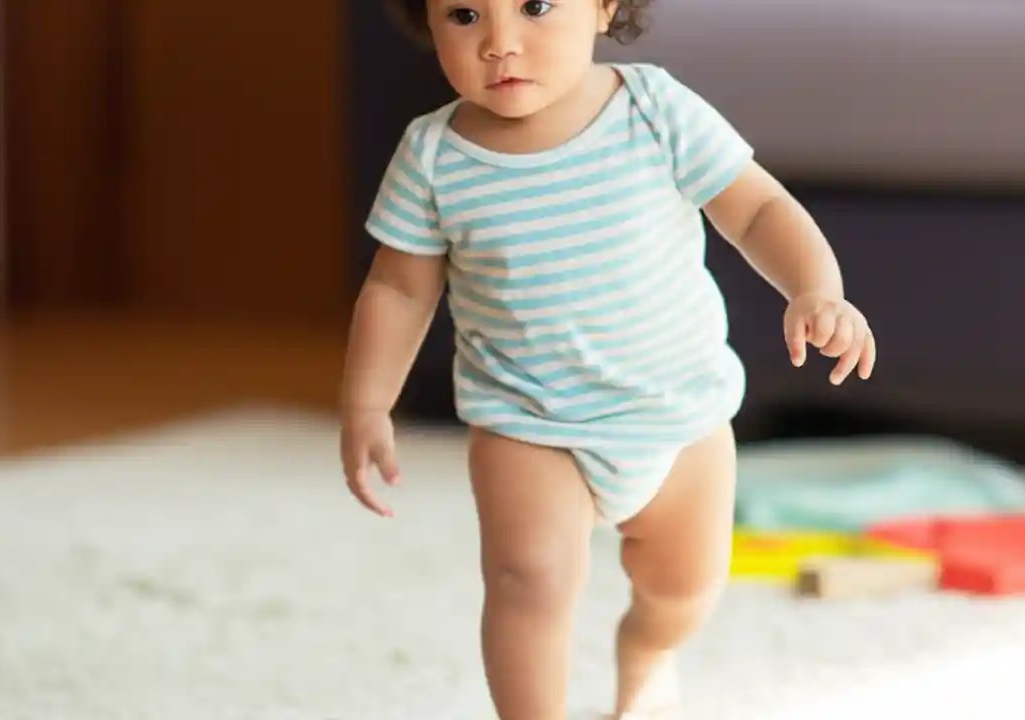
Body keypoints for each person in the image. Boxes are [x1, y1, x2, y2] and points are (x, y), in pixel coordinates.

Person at [338, 1, 877, 717]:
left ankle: (649, 654)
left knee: (682, 591)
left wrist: (817, 289)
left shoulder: (653, 108)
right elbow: (399, 290)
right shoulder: (434, 155)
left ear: (604, 7)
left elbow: (755, 210)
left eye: (534, 6)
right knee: (525, 580)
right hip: (528, 419)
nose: (501, 43)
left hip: (677, 417)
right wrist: (366, 402)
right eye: (465, 14)